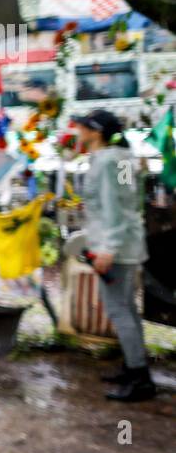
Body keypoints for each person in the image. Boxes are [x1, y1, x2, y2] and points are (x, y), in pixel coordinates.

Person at [74, 109, 156, 402]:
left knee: (119, 310)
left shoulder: (107, 161)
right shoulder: (119, 157)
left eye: (83, 126)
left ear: (96, 132)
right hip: (126, 245)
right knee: (127, 309)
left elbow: (114, 209)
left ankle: (140, 377)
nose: (77, 129)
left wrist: (108, 248)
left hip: (116, 248)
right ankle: (134, 366)